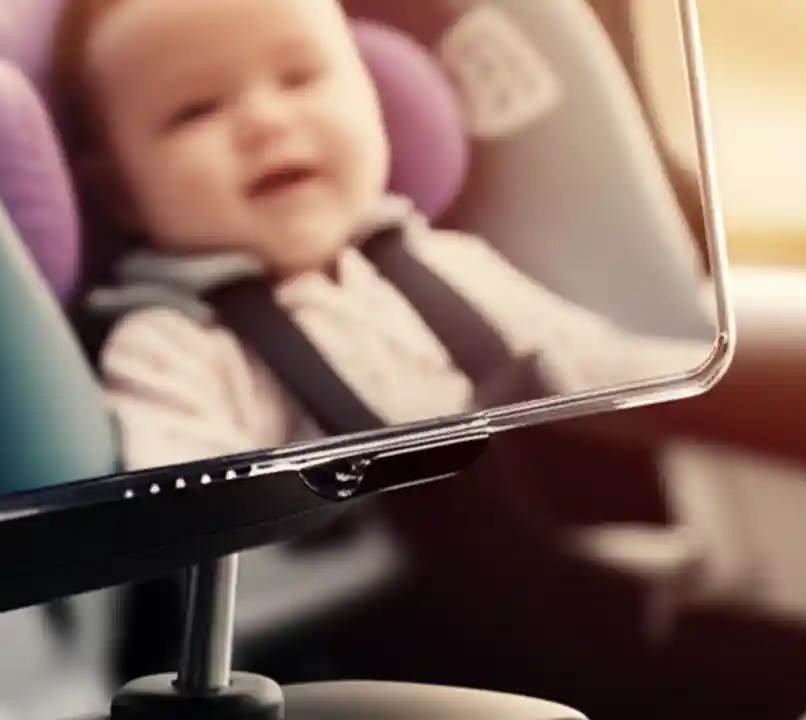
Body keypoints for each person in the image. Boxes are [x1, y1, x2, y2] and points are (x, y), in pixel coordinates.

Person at [52, 0, 709, 472]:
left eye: (300, 77)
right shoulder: (174, 350)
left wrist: (718, 389)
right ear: (120, 194)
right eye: (195, 109)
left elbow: (603, 368)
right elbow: (184, 520)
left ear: (377, 104)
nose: (266, 120)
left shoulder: (452, 266)